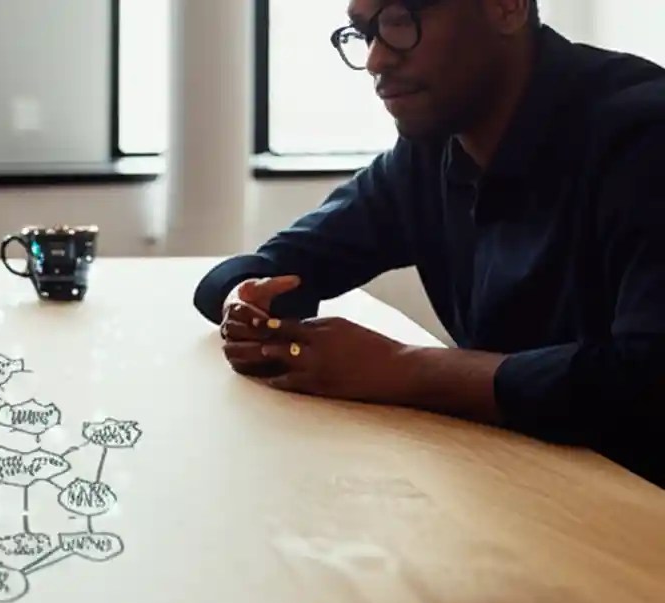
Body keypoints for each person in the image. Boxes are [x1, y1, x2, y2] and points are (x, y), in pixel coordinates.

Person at [193, 0, 665, 484]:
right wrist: (245, 304)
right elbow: (274, 265)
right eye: (363, 33)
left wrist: (404, 369)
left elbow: (646, 385)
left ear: (506, 8)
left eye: (400, 21)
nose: (376, 59)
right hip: (530, 496)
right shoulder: (430, 154)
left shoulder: (644, 134)